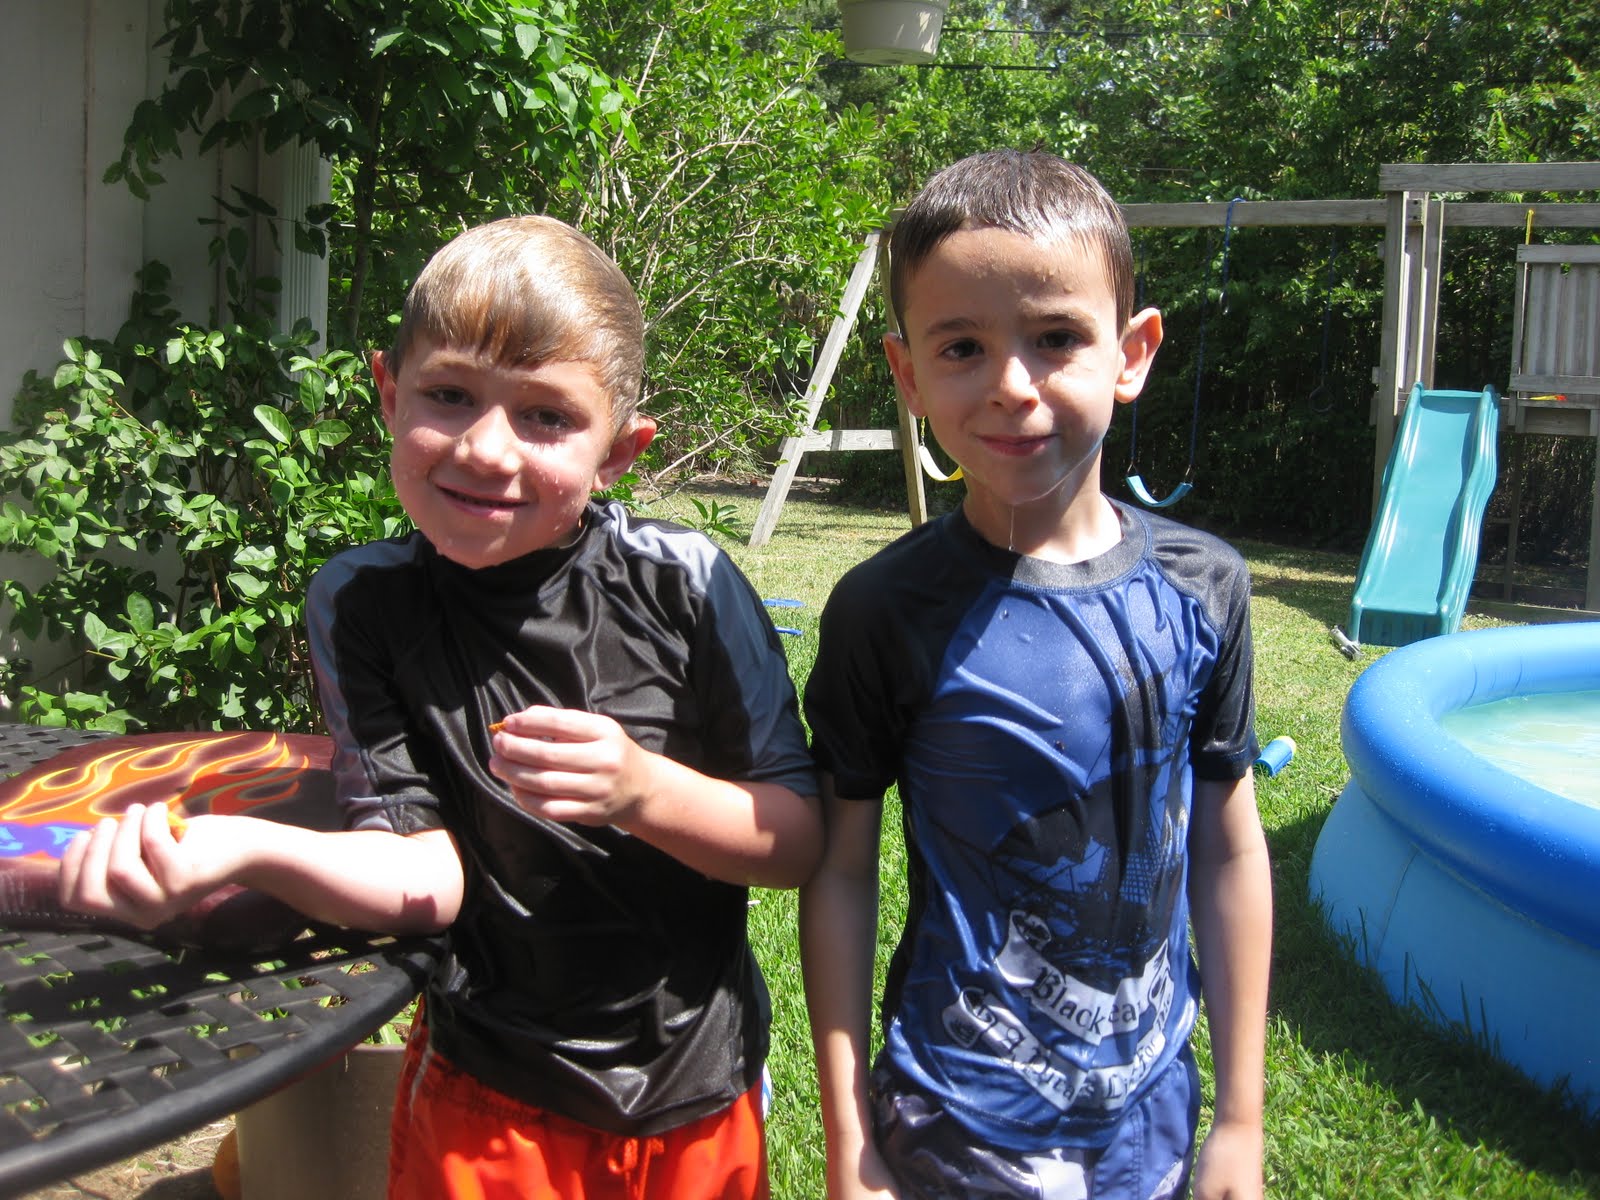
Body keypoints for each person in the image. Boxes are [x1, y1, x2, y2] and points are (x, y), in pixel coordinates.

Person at [58, 215, 823, 1200]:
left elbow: (795, 843)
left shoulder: (687, 585)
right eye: (449, 395)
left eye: (546, 416)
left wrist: (643, 790)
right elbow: (425, 872)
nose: (485, 449)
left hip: (697, 1084)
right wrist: (243, 851)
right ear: (387, 392)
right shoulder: (365, 604)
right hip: (489, 1087)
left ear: (620, 453)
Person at [800, 150, 1272, 1200]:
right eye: (961, 346)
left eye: (1057, 337)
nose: (1012, 386)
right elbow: (838, 871)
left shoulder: (1205, 589)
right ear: (909, 372)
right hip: (950, 1115)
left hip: (1148, 1115)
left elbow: (1229, 851)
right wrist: (848, 1138)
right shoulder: (885, 612)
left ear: (1130, 352)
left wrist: (1238, 1116)